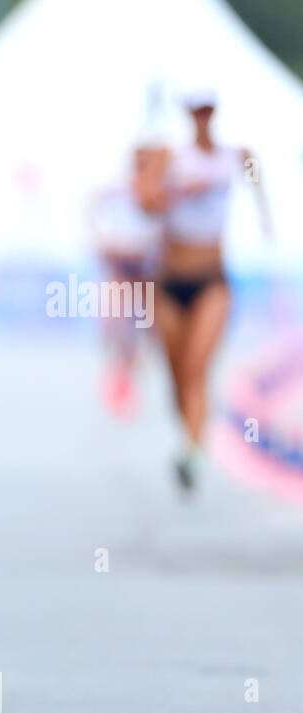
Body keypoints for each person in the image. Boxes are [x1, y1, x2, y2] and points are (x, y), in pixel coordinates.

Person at [137, 88, 270, 491]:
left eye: (207, 110)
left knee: (197, 368)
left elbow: (256, 183)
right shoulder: (171, 156)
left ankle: (192, 452)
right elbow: (144, 200)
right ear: (187, 114)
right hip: (170, 279)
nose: (202, 117)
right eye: (196, 110)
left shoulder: (234, 155)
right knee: (178, 375)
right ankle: (189, 430)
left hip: (212, 278)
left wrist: (268, 220)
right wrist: (180, 191)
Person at [89, 144, 163, 419]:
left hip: (144, 268)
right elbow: (93, 203)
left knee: (146, 328)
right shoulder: (119, 191)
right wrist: (99, 239)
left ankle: (129, 382)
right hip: (121, 264)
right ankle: (117, 379)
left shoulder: (156, 194)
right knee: (116, 324)